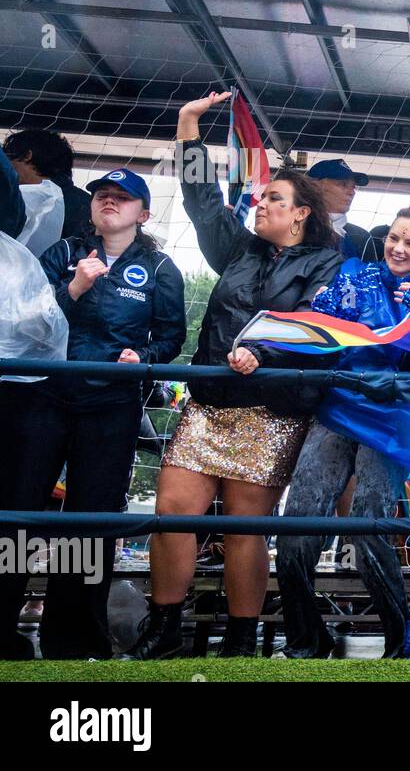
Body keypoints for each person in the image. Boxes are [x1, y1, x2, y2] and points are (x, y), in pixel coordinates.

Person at [120, 91, 343, 660]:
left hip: (271, 411)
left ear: (301, 214)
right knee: (173, 511)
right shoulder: (239, 249)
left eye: (273, 197)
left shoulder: (329, 264)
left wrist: (263, 357)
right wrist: (188, 126)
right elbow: (202, 201)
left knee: (247, 528)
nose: (260, 204)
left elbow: (318, 332)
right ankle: (163, 628)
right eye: (262, 195)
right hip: (210, 401)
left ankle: (241, 641)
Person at [275, 205, 410, 659]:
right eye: (394, 238)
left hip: (393, 419)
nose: (399, 248)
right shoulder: (353, 273)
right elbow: (320, 324)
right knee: (296, 525)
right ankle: (306, 641)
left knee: (370, 528)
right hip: (337, 408)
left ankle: (399, 641)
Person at [1, 168, 185, 660]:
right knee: (19, 510)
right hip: (44, 396)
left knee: (92, 518)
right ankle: (2, 627)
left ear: (142, 214)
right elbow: (27, 323)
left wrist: (143, 360)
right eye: (103, 194)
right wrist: (75, 288)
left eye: (123, 197)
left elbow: (171, 336)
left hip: (111, 404)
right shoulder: (62, 253)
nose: (110, 201)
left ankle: (73, 637)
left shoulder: (162, 267)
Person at [307, 158, 381, 261]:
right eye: (343, 184)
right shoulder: (296, 227)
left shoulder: (361, 237)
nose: (352, 192)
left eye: (353, 187)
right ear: (316, 187)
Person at [0, 138, 62, 256]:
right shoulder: (56, 198)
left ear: (27, 155)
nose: (9, 165)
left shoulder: (13, 197)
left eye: (8, 157)